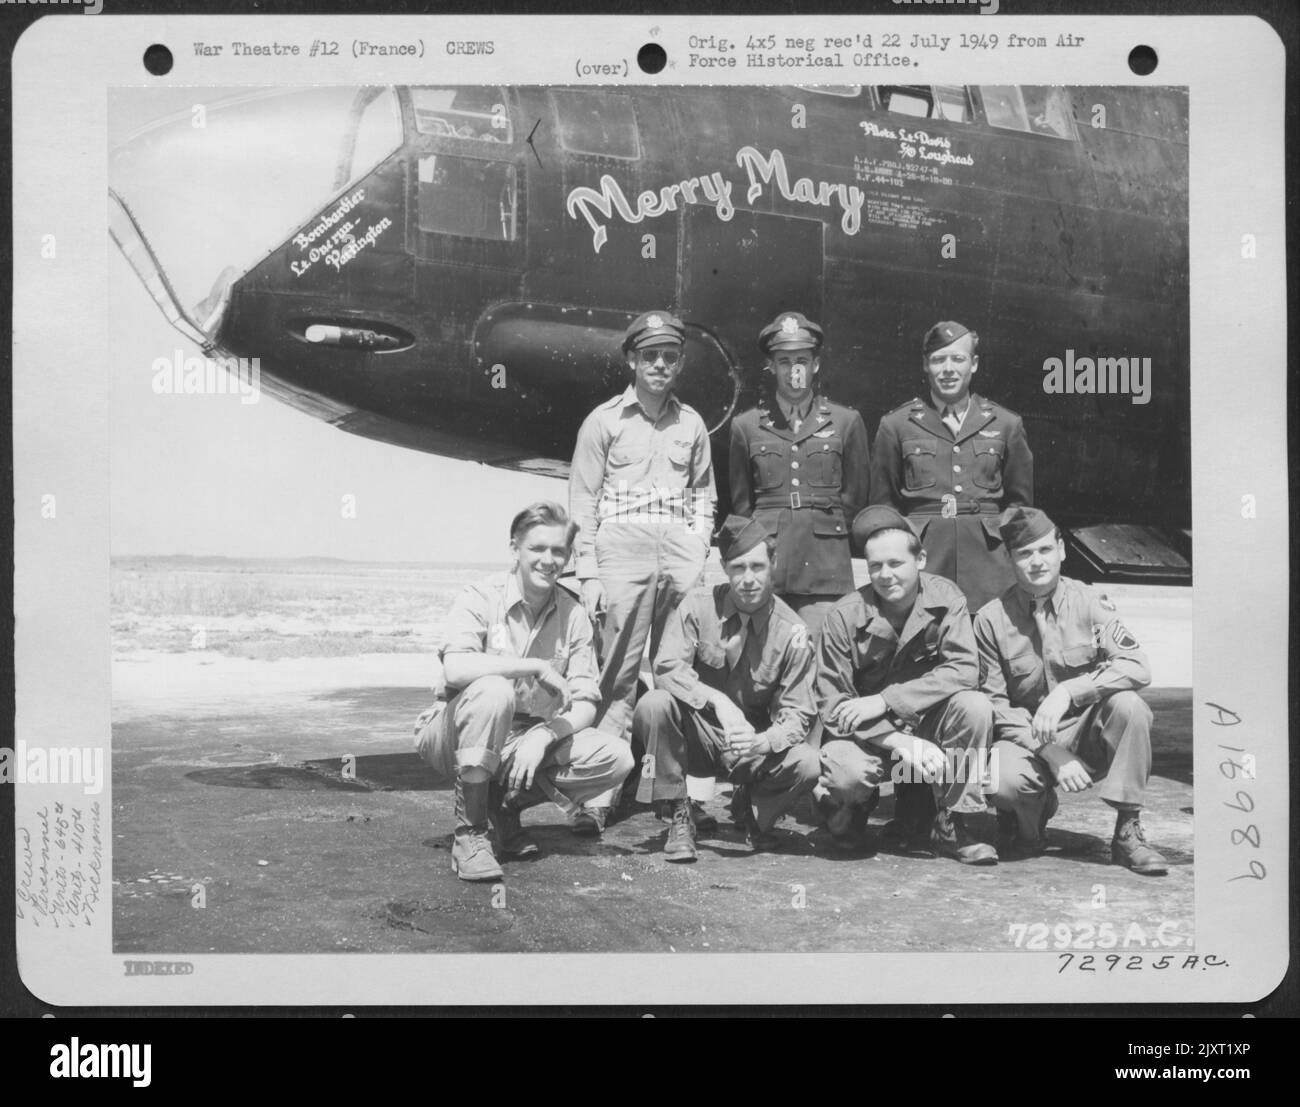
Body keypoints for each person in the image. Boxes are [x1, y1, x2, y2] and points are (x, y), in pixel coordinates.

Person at [413, 502, 635, 881]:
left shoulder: (574, 614)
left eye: (558, 551)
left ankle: (501, 804)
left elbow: (585, 703)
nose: (549, 560)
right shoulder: (481, 596)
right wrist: (534, 666)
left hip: (526, 734)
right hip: (454, 731)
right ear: (514, 548)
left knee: (617, 758)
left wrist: (544, 737)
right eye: (537, 549)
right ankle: (471, 834)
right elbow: (456, 667)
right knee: (495, 691)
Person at [568, 311, 717, 834]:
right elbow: (583, 502)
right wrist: (588, 573)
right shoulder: (603, 422)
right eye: (649, 355)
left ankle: (679, 795)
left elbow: (703, 498)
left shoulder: (692, 423)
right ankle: (601, 790)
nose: (659, 365)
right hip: (620, 550)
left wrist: (696, 555)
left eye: (670, 356)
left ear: (679, 362)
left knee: (678, 670)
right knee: (616, 674)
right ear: (632, 359)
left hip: (679, 553)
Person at [974, 506, 1168, 874]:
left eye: (1045, 550)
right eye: (1025, 554)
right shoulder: (990, 619)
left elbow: (1136, 666)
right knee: (1000, 781)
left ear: (1061, 550)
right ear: (1009, 559)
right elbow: (994, 704)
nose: (1037, 562)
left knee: (1130, 706)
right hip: (1026, 738)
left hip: (1084, 731)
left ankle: (1128, 831)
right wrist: (1049, 752)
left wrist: (1071, 691)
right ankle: (1028, 821)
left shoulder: (1090, 603)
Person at [815, 505, 997, 863]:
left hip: (926, 726)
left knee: (974, 707)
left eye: (896, 563)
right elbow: (833, 706)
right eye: (875, 566)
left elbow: (963, 669)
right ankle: (855, 806)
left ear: (921, 559)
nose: (885, 575)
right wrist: (897, 740)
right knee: (846, 775)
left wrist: (884, 700)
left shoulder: (946, 599)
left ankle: (957, 820)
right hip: (869, 736)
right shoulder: (844, 615)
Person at [632, 515, 820, 860]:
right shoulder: (697, 605)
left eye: (758, 567)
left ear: (773, 564)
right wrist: (717, 701)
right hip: (697, 737)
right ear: (723, 567)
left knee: (807, 762)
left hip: (751, 748)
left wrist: (764, 741)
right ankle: (677, 810)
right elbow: (666, 666)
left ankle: (753, 810)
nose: (748, 579)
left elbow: (800, 712)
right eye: (738, 568)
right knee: (654, 704)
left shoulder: (793, 631)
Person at [869, 320, 1033, 611]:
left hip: (989, 567)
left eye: (958, 359)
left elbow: (1020, 505)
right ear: (925, 365)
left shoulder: (1007, 424)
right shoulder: (896, 425)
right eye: (938, 359)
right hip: (926, 561)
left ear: (974, 364)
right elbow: (884, 509)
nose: (947, 369)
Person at [728, 311, 871, 638]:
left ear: (815, 365)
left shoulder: (846, 422)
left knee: (825, 654)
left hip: (825, 565)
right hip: (771, 563)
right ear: (771, 366)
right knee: (768, 657)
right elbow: (742, 505)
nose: (794, 370)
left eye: (801, 361)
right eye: (784, 361)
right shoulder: (746, 426)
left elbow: (855, 498)